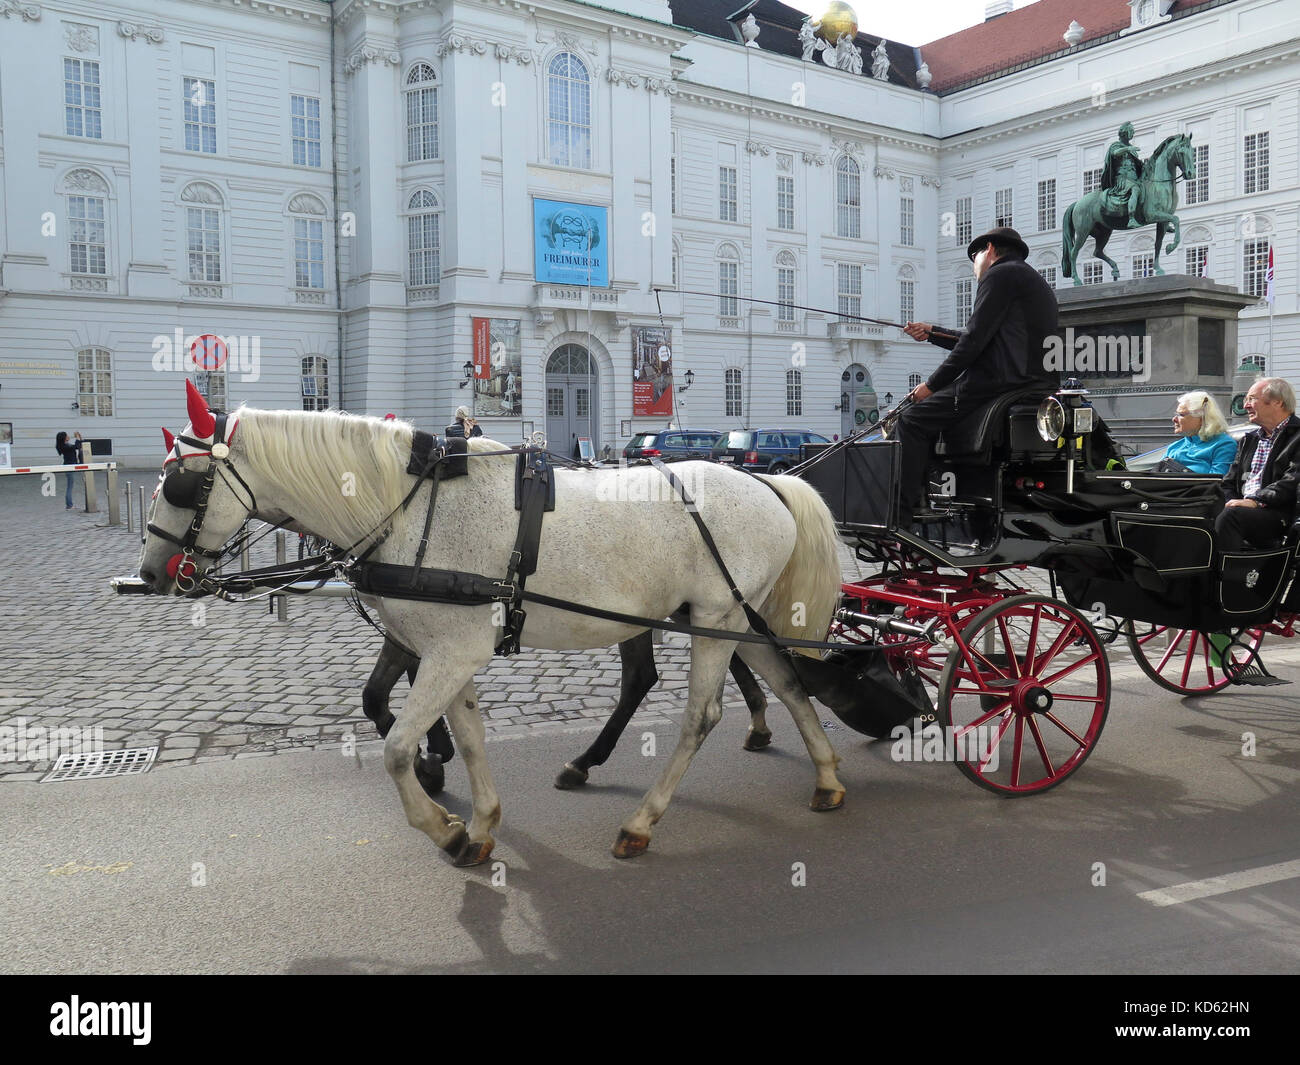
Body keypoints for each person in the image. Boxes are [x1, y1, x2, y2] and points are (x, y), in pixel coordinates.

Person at [894, 226, 1059, 522]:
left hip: (999, 381)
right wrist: (933, 333)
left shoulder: (998, 275)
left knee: (911, 420)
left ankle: (908, 512)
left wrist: (931, 386)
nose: (974, 267)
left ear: (990, 250)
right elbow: (985, 338)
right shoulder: (1033, 280)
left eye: (975, 257)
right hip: (1033, 382)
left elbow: (973, 343)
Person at [1216, 378, 1300, 551]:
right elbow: (1228, 482)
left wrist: (1256, 501)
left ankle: (1229, 576)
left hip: (1279, 513)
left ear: (1277, 402)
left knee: (1232, 516)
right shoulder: (1249, 439)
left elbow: (1292, 481)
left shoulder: (1296, 437)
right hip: (1244, 508)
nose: (1245, 405)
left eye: (1252, 399)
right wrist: (1231, 501)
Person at [1164, 391, 1236, 474]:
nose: (1174, 419)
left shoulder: (1223, 444)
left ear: (1202, 418)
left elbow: (1217, 481)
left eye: (1181, 415)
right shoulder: (1174, 447)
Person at [55, 430, 83, 510]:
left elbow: (78, 445)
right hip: (69, 467)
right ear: (64, 438)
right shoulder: (65, 446)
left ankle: (69, 504)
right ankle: (69, 505)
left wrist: (79, 438)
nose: (68, 436)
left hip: (71, 466)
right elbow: (76, 447)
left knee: (70, 486)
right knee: (69, 487)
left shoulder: (66, 445)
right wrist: (77, 438)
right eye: (67, 435)